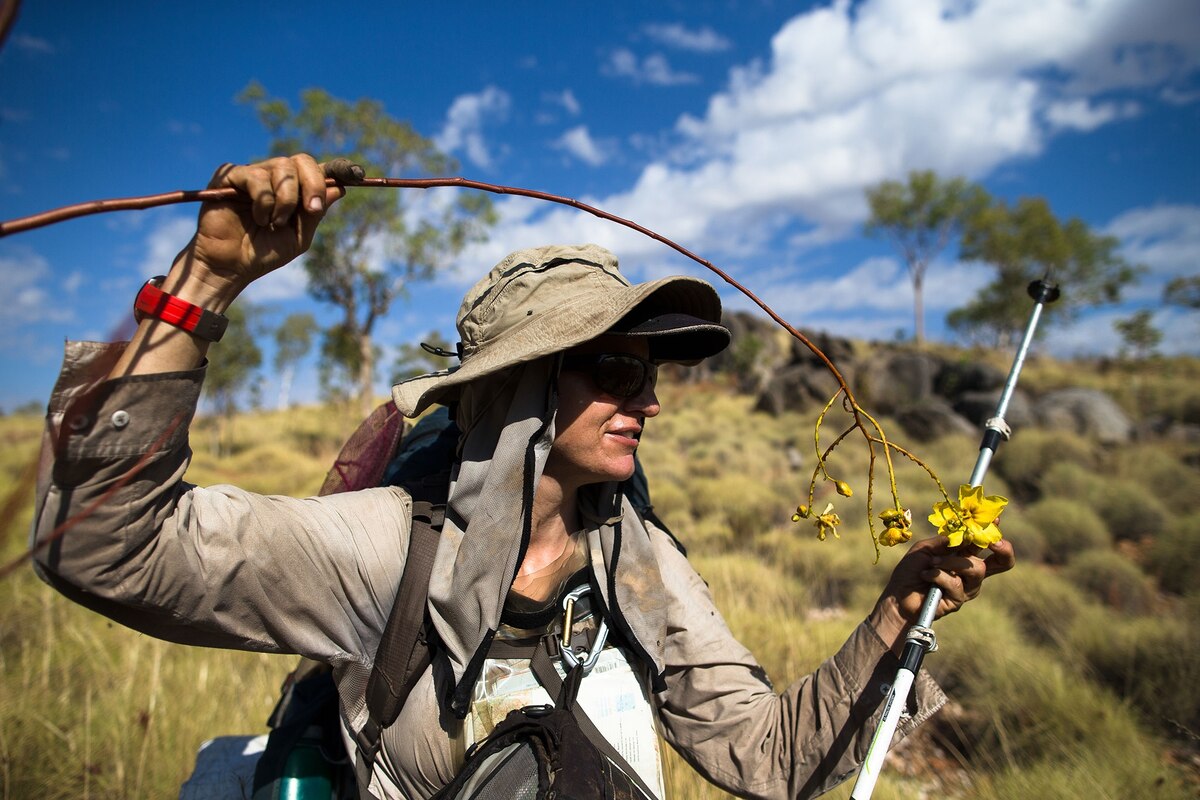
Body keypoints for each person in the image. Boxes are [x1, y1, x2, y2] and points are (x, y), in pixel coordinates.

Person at [31, 154, 1014, 799]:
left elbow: (763, 754)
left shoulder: (637, 559)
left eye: (652, 372)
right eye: (618, 368)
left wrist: (897, 612)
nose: (651, 401)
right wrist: (203, 287)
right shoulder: (384, 547)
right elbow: (106, 546)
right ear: (526, 388)